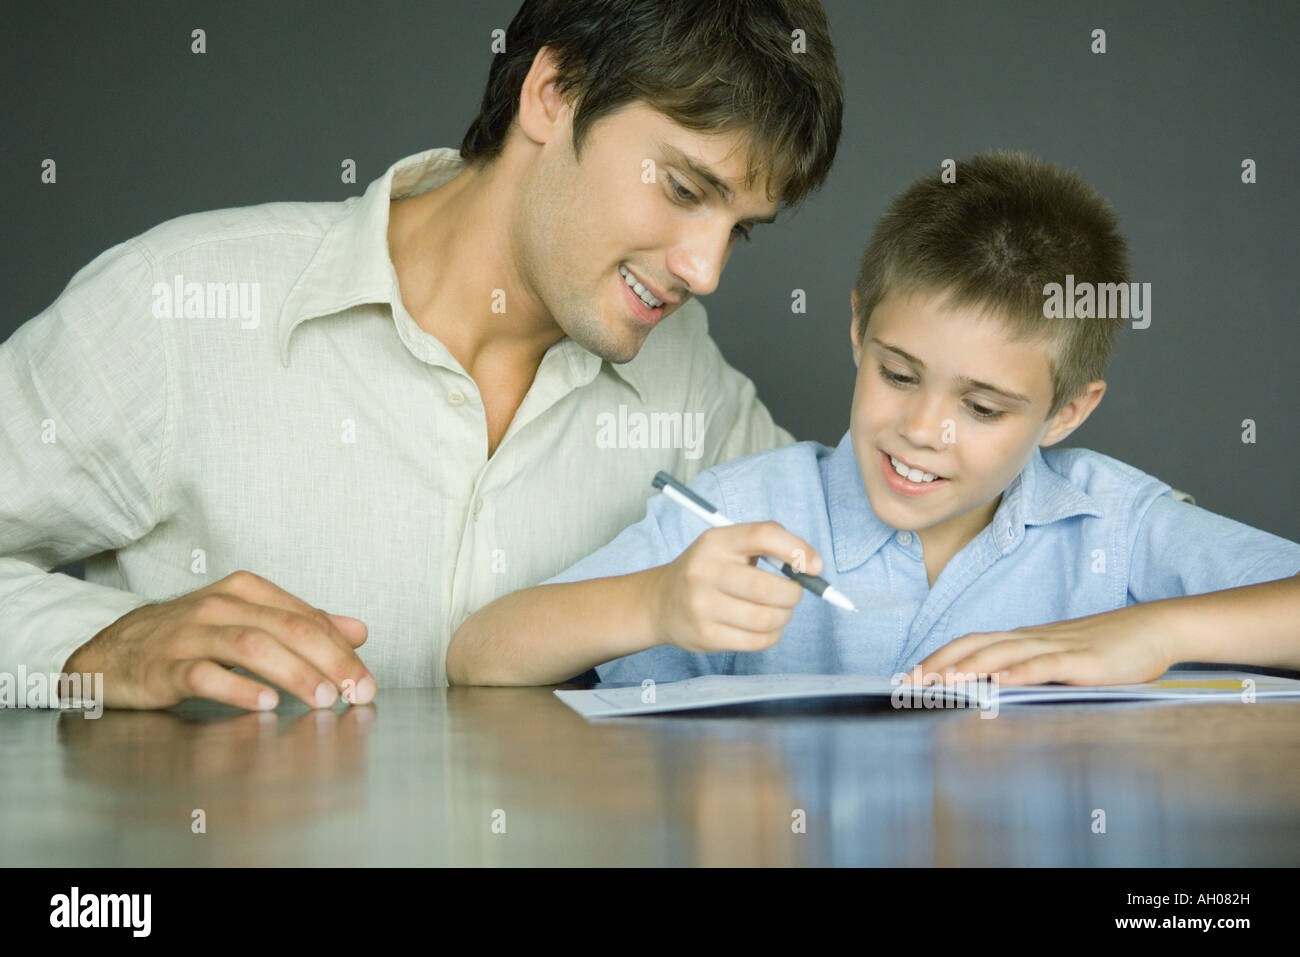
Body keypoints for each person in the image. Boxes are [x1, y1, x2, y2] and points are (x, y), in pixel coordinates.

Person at [0, 0, 844, 710]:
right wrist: (98, 647)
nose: (705, 269)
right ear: (551, 94)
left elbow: (855, 582)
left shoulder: (685, 375)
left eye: (738, 229)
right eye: (685, 189)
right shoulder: (179, 304)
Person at [446, 150, 1300, 688]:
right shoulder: (743, 511)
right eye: (898, 373)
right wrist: (654, 602)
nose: (923, 428)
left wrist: (1152, 630)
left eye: (982, 406)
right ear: (858, 327)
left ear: (1067, 410)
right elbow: (480, 653)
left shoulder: (1114, 526)